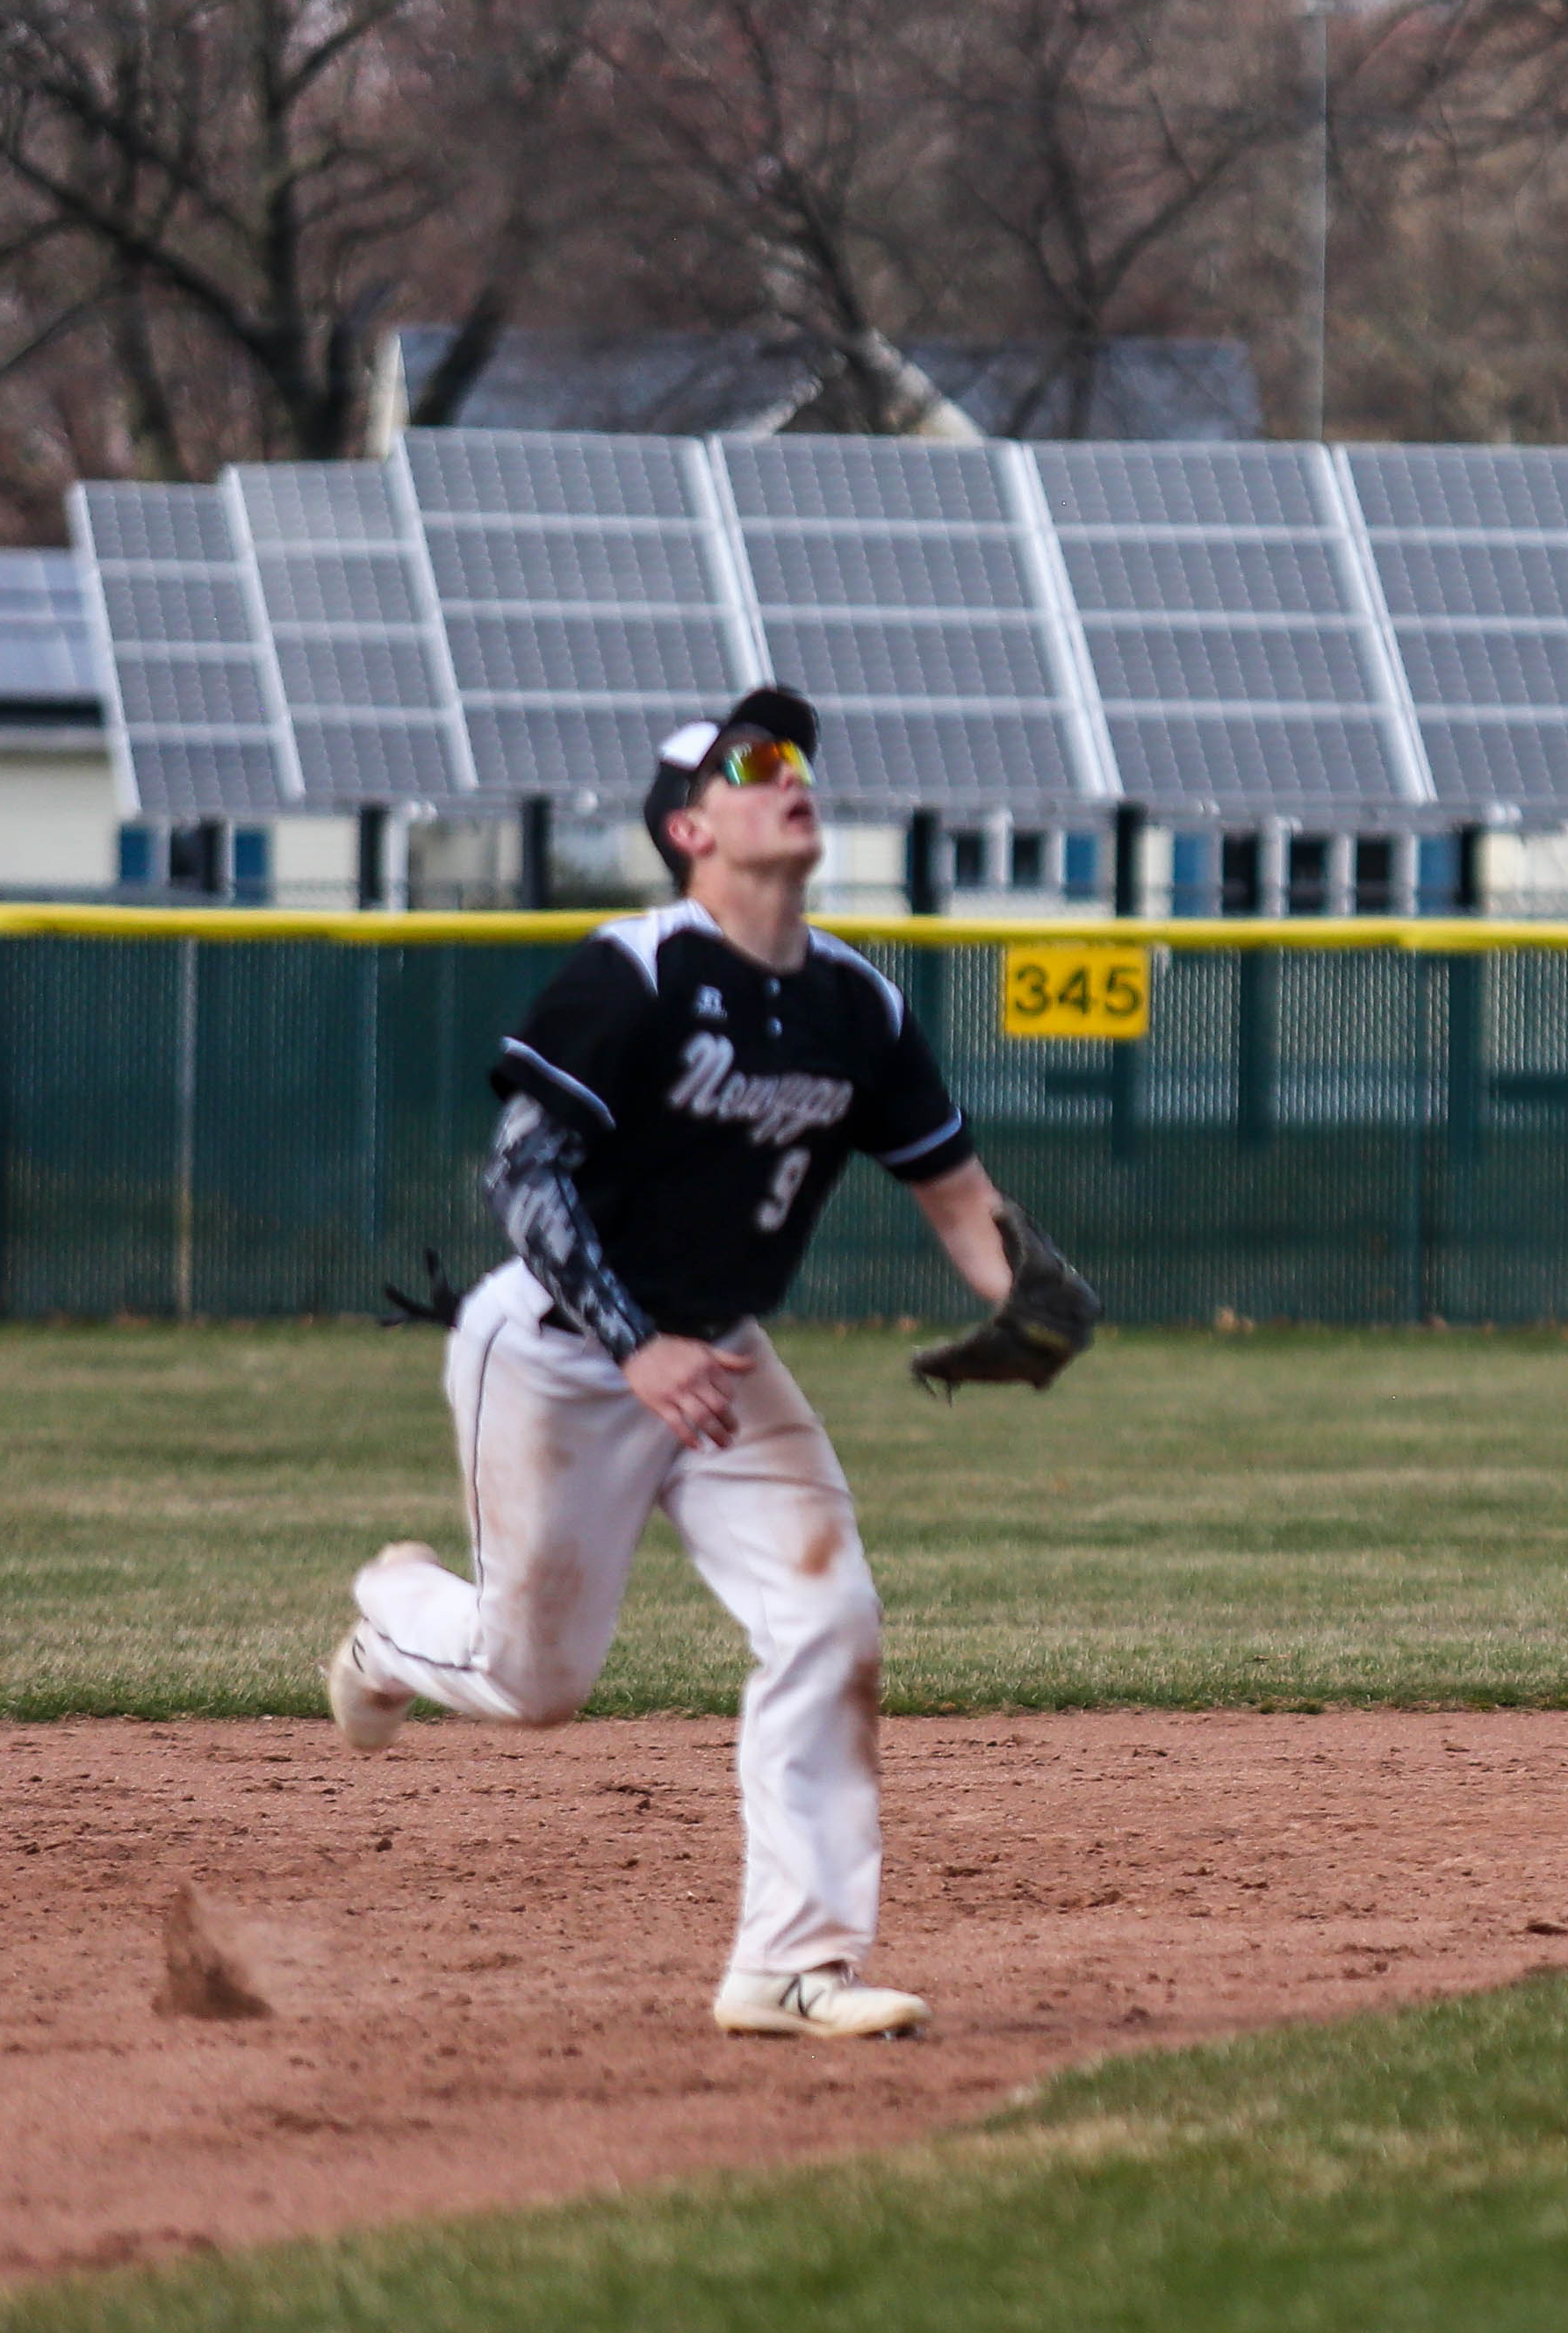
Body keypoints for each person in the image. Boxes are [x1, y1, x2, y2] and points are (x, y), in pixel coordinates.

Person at [320, 686, 1090, 2039]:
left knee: (829, 1615)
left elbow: (959, 1198)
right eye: (750, 761)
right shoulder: (637, 973)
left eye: (795, 755)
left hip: (720, 1359)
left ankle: (791, 1964)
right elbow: (523, 1178)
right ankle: (395, 1620)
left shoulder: (855, 1002)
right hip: (560, 1351)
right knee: (534, 1684)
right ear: (689, 828)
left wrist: (1030, 1286)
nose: (789, 772)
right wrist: (636, 1341)